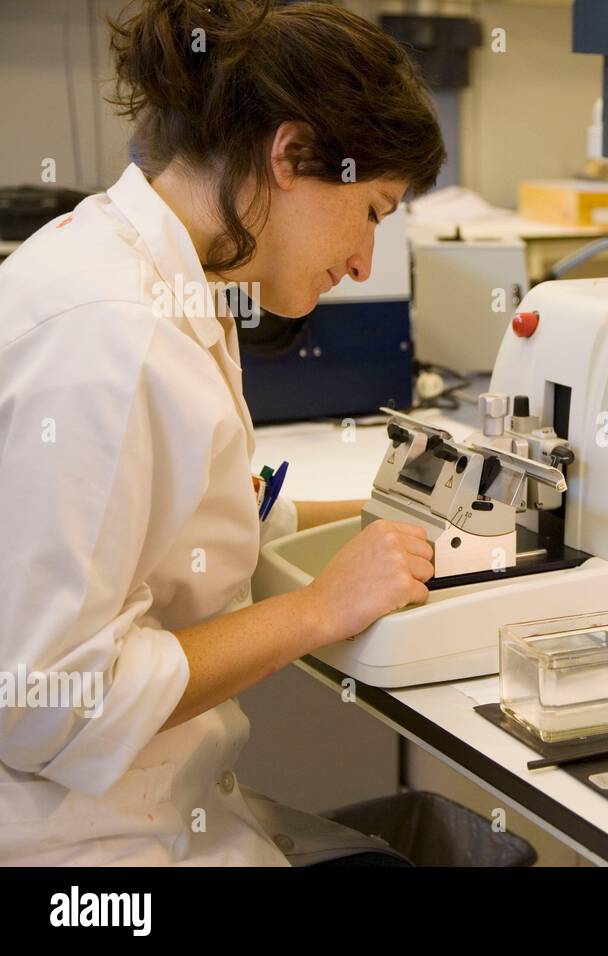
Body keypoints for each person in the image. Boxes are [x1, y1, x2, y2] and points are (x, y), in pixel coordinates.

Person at [0, 0, 445, 865]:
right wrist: (319, 608)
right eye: (374, 211)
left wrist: (373, 515)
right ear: (289, 154)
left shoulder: (154, 270)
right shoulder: (113, 335)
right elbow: (48, 702)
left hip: (153, 809)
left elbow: (171, 535)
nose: (362, 261)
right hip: (83, 858)